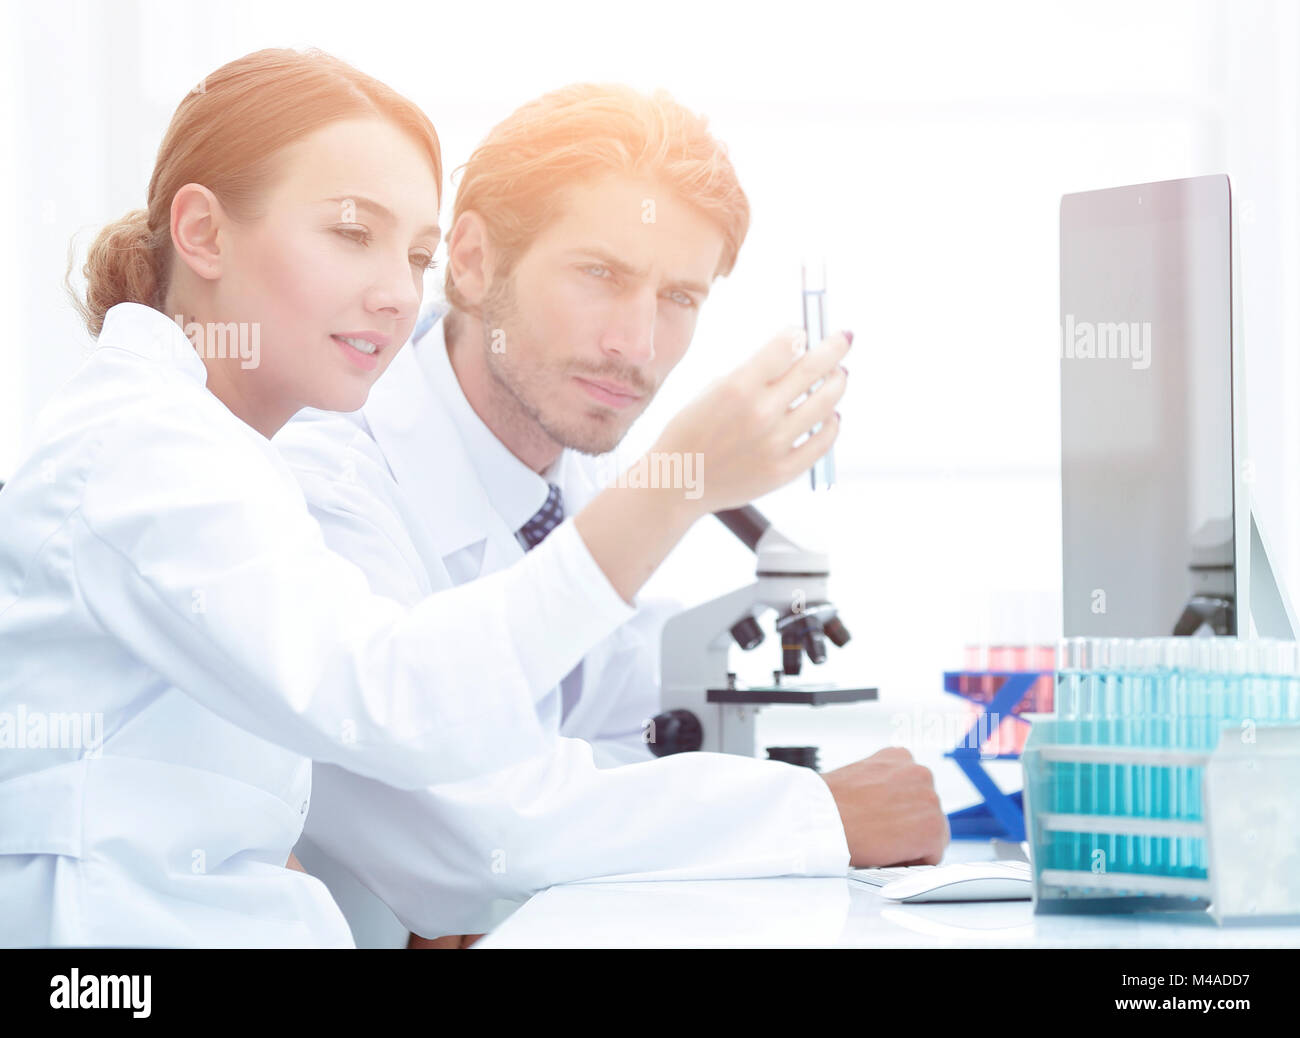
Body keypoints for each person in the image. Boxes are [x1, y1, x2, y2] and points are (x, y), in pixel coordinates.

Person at [0, 54, 849, 947]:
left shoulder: (210, 446)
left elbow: (585, 722)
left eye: (413, 255)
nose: (397, 294)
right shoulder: (152, 449)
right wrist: (675, 484)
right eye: (350, 233)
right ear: (204, 234)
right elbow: (395, 703)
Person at [277, 84, 947, 948]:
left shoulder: (569, 459)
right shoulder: (329, 483)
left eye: (680, 298)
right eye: (601, 274)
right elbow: (469, 843)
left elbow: (610, 736)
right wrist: (818, 814)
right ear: (474, 260)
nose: (636, 345)